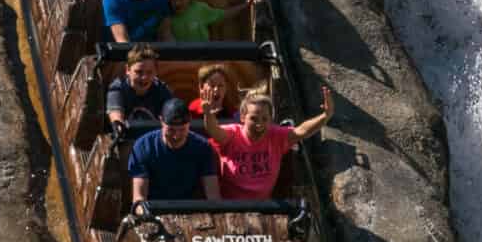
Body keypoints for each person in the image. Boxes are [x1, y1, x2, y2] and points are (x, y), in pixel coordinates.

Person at [204, 86, 334, 201]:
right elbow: (213, 130)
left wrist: (325, 116)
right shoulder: (232, 133)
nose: (259, 124)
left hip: (263, 209)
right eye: (254, 119)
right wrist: (208, 113)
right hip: (230, 209)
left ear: (271, 119)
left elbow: (302, 131)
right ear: (243, 117)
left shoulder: (276, 136)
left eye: (265, 119)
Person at [128, 99, 219, 206]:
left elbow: (213, 198)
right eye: (171, 130)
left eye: (182, 129)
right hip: (154, 211)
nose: (176, 136)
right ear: (161, 121)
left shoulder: (203, 147)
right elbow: (139, 199)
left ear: (189, 123)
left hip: (191, 211)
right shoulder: (143, 146)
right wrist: (144, 214)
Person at [106, 46, 173, 130]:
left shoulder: (161, 89)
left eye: (149, 72)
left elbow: (172, 116)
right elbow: (115, 115)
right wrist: (118, 125)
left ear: (156, 72)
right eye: (138, 72)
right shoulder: (118, 87)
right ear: (127, 70)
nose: (144, 77)